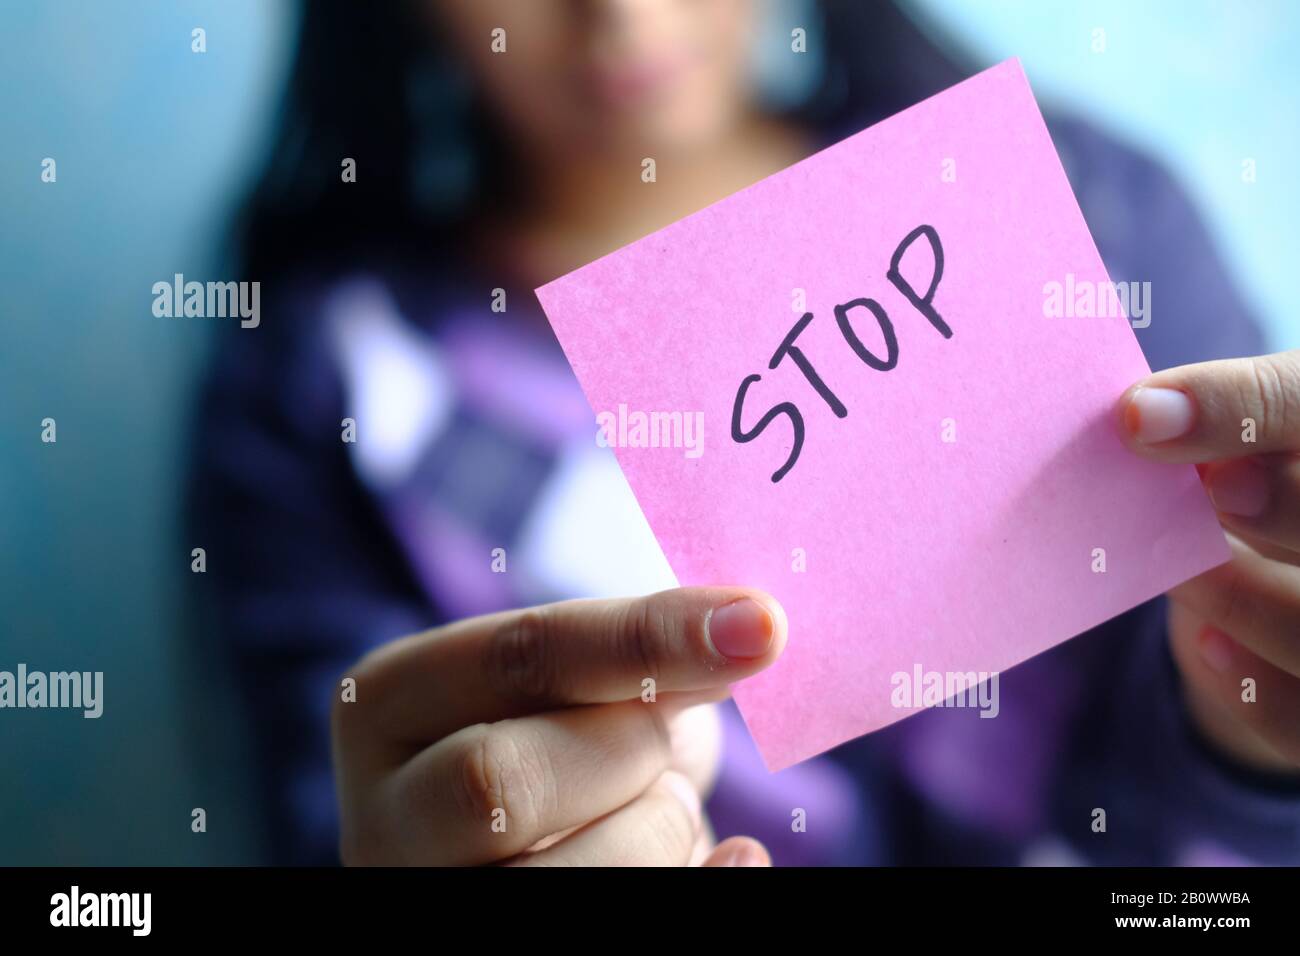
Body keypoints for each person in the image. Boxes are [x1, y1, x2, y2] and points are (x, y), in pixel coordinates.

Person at [192, 0, 1300, 866]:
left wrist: (1252, 727)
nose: (618, 15)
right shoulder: (327, 383)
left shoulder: (1080, 210)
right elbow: (333, 809)